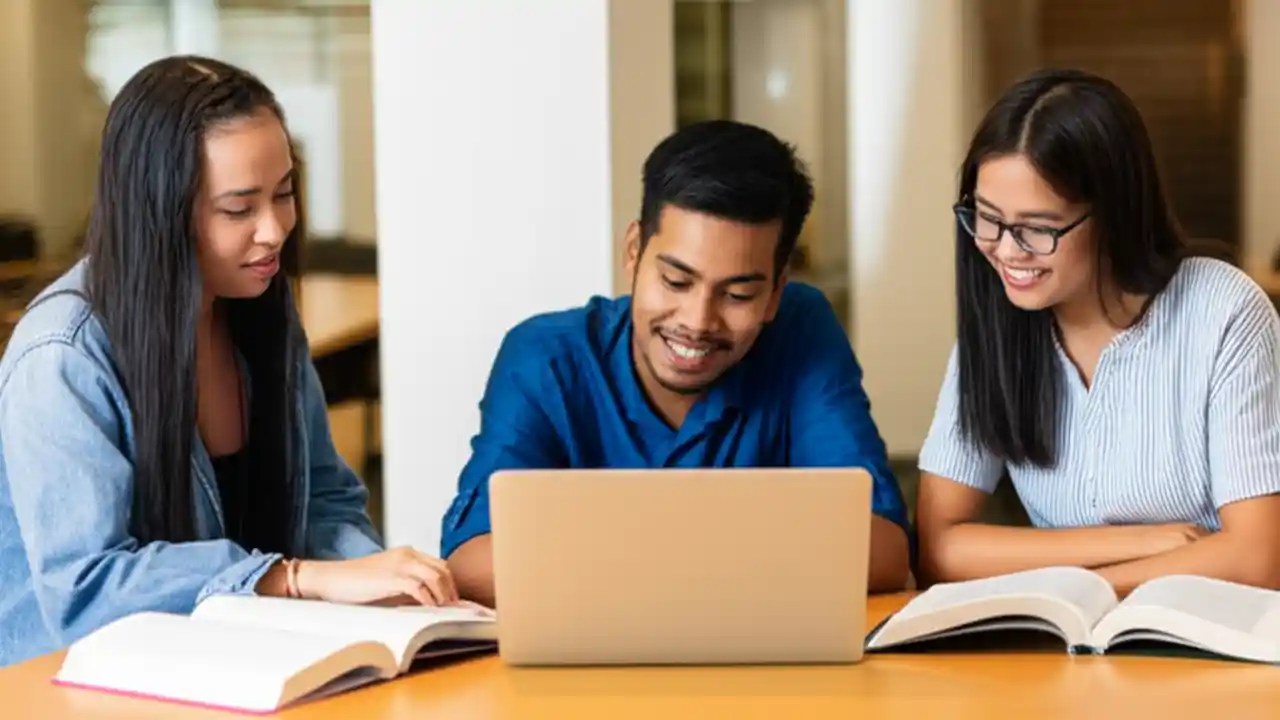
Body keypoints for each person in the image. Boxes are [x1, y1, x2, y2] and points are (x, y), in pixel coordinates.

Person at [0, 56, 457, 668]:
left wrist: (386, 588)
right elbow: (86, 589)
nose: (275, 231)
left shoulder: (261, 312)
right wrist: (294, 578)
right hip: (83, 686)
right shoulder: (62, 356)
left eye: (285, 194)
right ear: (159, 213)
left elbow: (324, 498)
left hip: (244, 668)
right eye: (239, 210)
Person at [441, 120, 911, 607]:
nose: (697, 321)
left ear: (775, 293)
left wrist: (601, 559)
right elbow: (474, 564)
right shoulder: (544, 358)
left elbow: (882, 550)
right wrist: (754, 553)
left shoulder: (803, 329)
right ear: (633, 253)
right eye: (675, 281)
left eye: (738, 294)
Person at [915, 68, 1280, 595]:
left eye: (1038, 229)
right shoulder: (999, 321)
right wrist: (1133, 542)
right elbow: (938, 546)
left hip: (1208, 646)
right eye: (988, 217)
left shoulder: (1222, 310)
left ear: (1114, 215)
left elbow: (1257, 558)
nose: (1006, 251)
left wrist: (1086, 587)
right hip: (1071, 650)